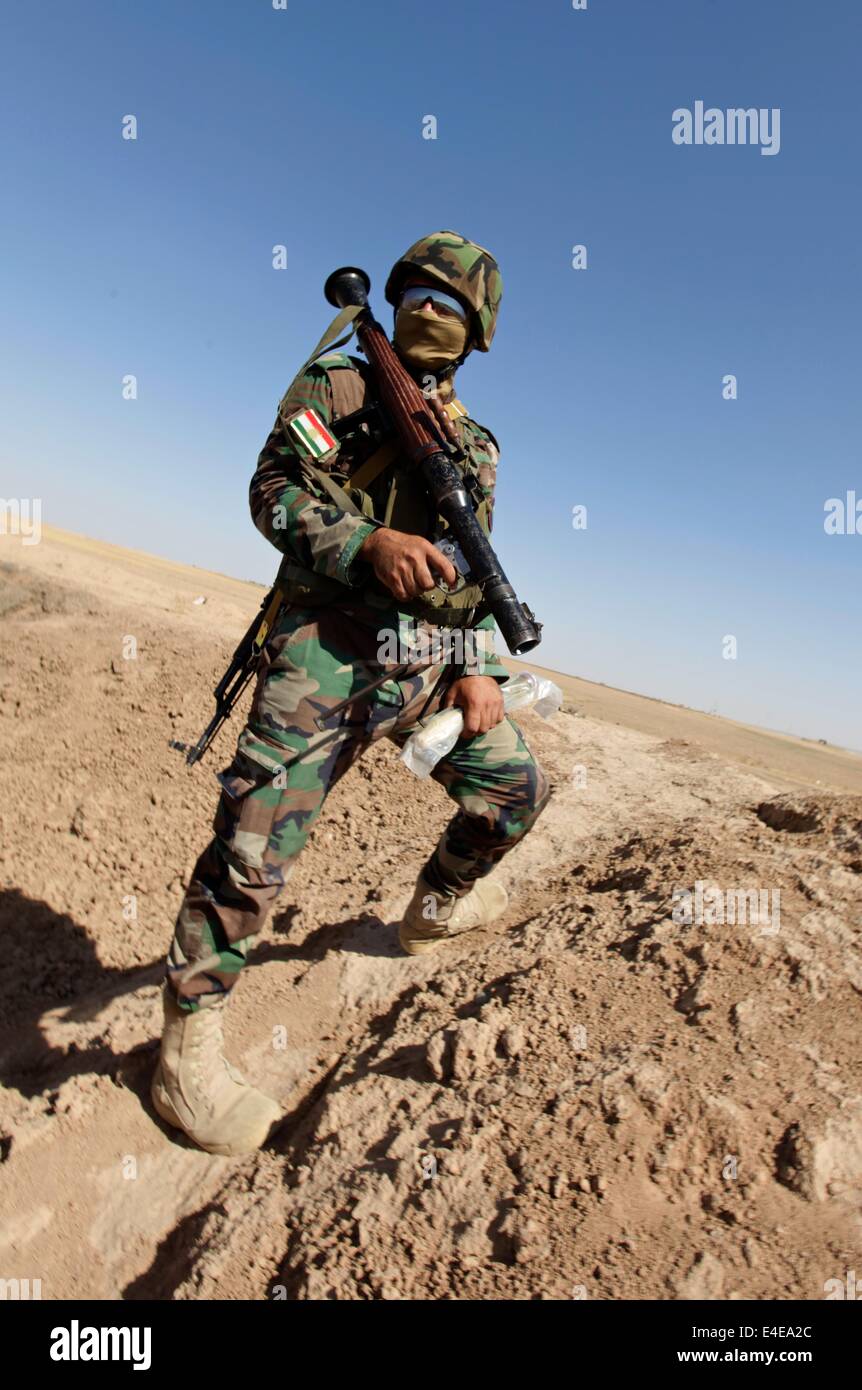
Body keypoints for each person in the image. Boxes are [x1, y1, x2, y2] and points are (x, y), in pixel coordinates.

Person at [151, 231, 551, 1155]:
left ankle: (436, 906)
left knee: (515, 789)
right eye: (413, 292)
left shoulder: (478, 448)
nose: (426, 311)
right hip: (325, 651)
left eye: (449, 303)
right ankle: (186, 1050)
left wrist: (479, 664)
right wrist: (363, 546)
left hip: (422, 661)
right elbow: (273, 491)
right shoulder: (341, 385)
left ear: (479, 329)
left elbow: (472, 567)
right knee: (255, 849)